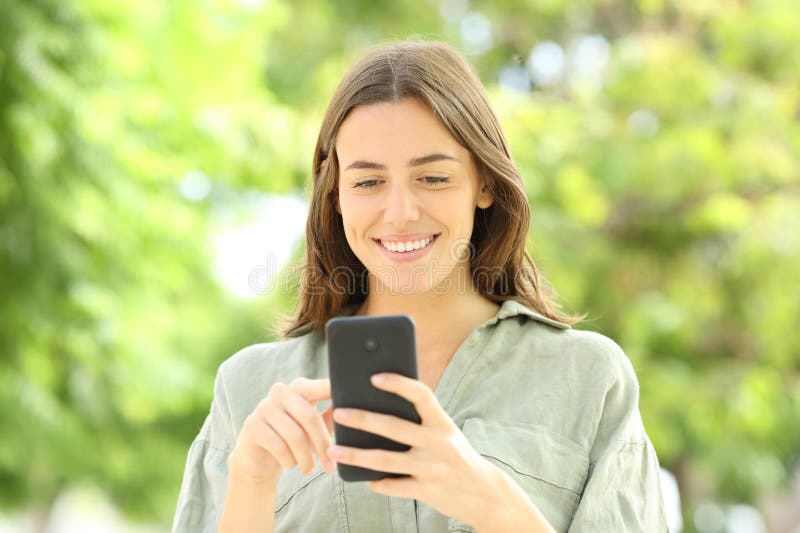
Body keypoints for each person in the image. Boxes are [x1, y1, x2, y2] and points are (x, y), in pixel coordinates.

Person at [171, 40, 668, 532]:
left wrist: (497, 507)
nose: (400, 213)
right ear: (336, 193)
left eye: (432, 178)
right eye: (368, 182)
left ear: (484, 182)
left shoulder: (588, 378)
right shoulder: (248, 389)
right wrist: (252, 481)